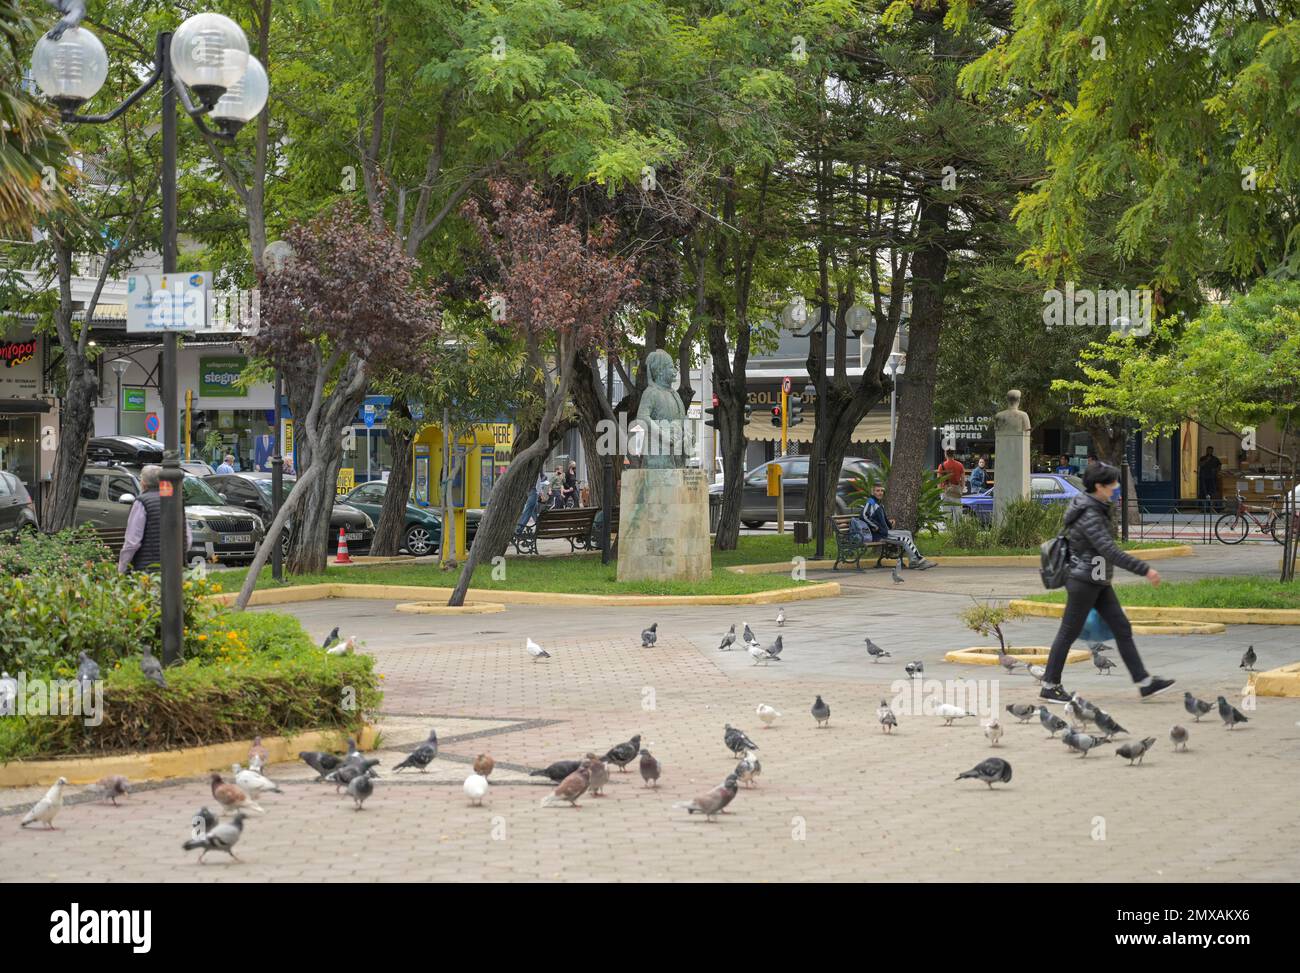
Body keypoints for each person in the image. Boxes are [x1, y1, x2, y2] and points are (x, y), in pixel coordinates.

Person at [1039, 463, 1172, 703]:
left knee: (1121, 627)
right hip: (1085, 580)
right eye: (1112, 484)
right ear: (1099, 486)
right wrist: (1145, 570)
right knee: (1068, 632)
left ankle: (1144, 682)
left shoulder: (1095, 506)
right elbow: (1108, 550)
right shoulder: (1090, 513)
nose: (1117, 487)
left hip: (1096, 579)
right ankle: (1050, 685)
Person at [118, 465, 192, 574]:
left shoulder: (142, 502)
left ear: (143, 483)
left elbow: (132, 542)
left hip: (148, 571)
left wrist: (122, 568)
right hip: (174, 569)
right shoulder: (175, 501)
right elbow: (187, 538)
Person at [854, 483, 935, 570]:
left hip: (884, 532)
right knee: (905, 540)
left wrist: (889, 523)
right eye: (877, 491)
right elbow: (863, 515)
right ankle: (920, 560)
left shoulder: (878, 504)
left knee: (907, 533)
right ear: (872, 492)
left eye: (882, 491)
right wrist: (875, 526)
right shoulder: (871, 502)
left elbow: (878, 518)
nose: (880, 493)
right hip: (879, 535)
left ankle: (913, 561)